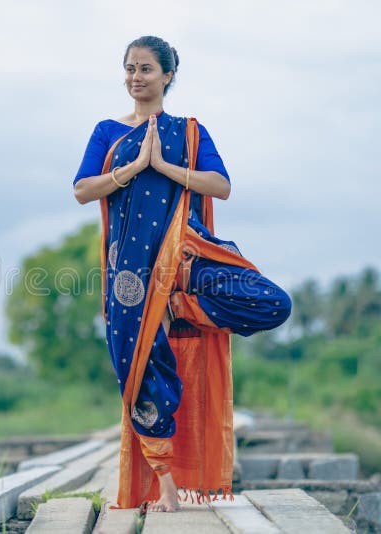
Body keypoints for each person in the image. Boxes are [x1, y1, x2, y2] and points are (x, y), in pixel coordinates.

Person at [73, 36, 291, 513]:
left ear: (168, 75)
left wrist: (163, 166)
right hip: (130, 273)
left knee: (273, 301)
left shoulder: (189, 133)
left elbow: (221, 186)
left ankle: (179, 306)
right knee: (143, 374)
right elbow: (83, 190)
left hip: (189, 258)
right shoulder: (107, 131)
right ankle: (167, 487)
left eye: (146, 68)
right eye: (129, 68)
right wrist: (133, 167)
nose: (136, 77)